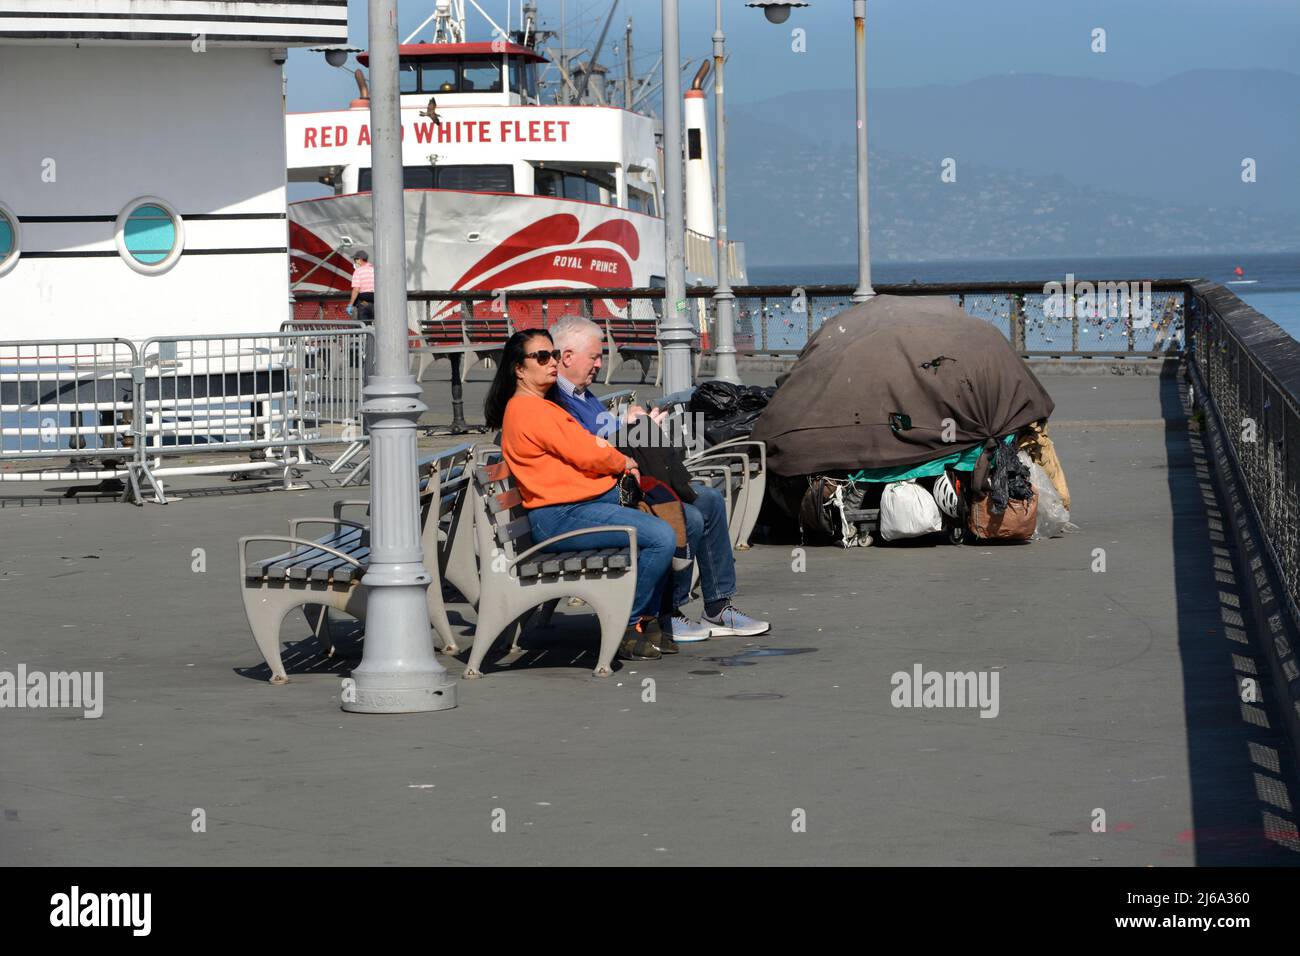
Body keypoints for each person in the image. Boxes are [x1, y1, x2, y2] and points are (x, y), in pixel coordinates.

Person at [546, 316, 770, 642]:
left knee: (708, 500)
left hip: (626, 481)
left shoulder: (583, 394)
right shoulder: (559, 400)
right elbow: (586, 448)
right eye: (594, 357)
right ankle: (668, 614)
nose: (599, 364)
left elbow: (601, 434)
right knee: (688, 515)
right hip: (604, 493)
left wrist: (631, 423)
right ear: (567, 357)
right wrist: (630, 428)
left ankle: (718, 606)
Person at [484, 329, 678, 661]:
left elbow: (584, 448)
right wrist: (623, 460)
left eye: (554, 355)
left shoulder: (539, 405)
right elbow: (586, 451)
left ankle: (654, 616)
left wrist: (616, 464)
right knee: (661, 535)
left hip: (572, 505)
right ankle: (629, 625)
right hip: (560, 516)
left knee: (665, 510)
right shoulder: (531, 411)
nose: (552, 363)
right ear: (519, 368)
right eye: (542, 357)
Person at [346, 250, 375, 325]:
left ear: (359, 259)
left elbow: (356, 289)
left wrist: (350, 304)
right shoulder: (375, 269)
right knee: (377, 327)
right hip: (377, 302)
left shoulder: (358, 271)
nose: (354, 262)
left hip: (364, 302)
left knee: (364, 327)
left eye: (355, 259)